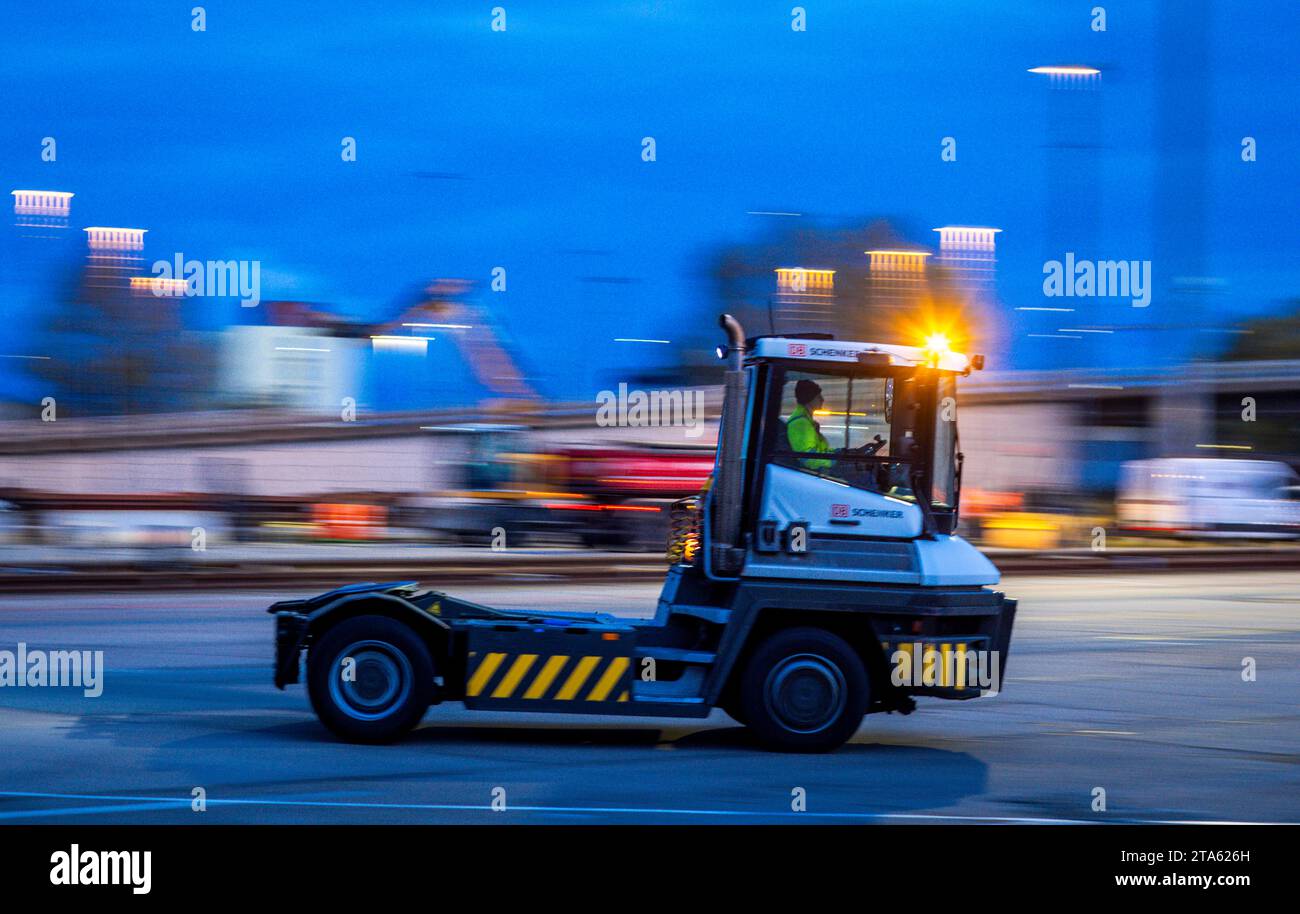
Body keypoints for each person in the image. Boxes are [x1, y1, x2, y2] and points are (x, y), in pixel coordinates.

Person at [786, 379, 834, 470]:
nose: (822, 399)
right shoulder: (800, 424)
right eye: (818, 397)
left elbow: (820, 451)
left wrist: (838, 453)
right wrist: (833, 462)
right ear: (809, 398)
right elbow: (808, 458)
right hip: (816, 473)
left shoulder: (807, 421)